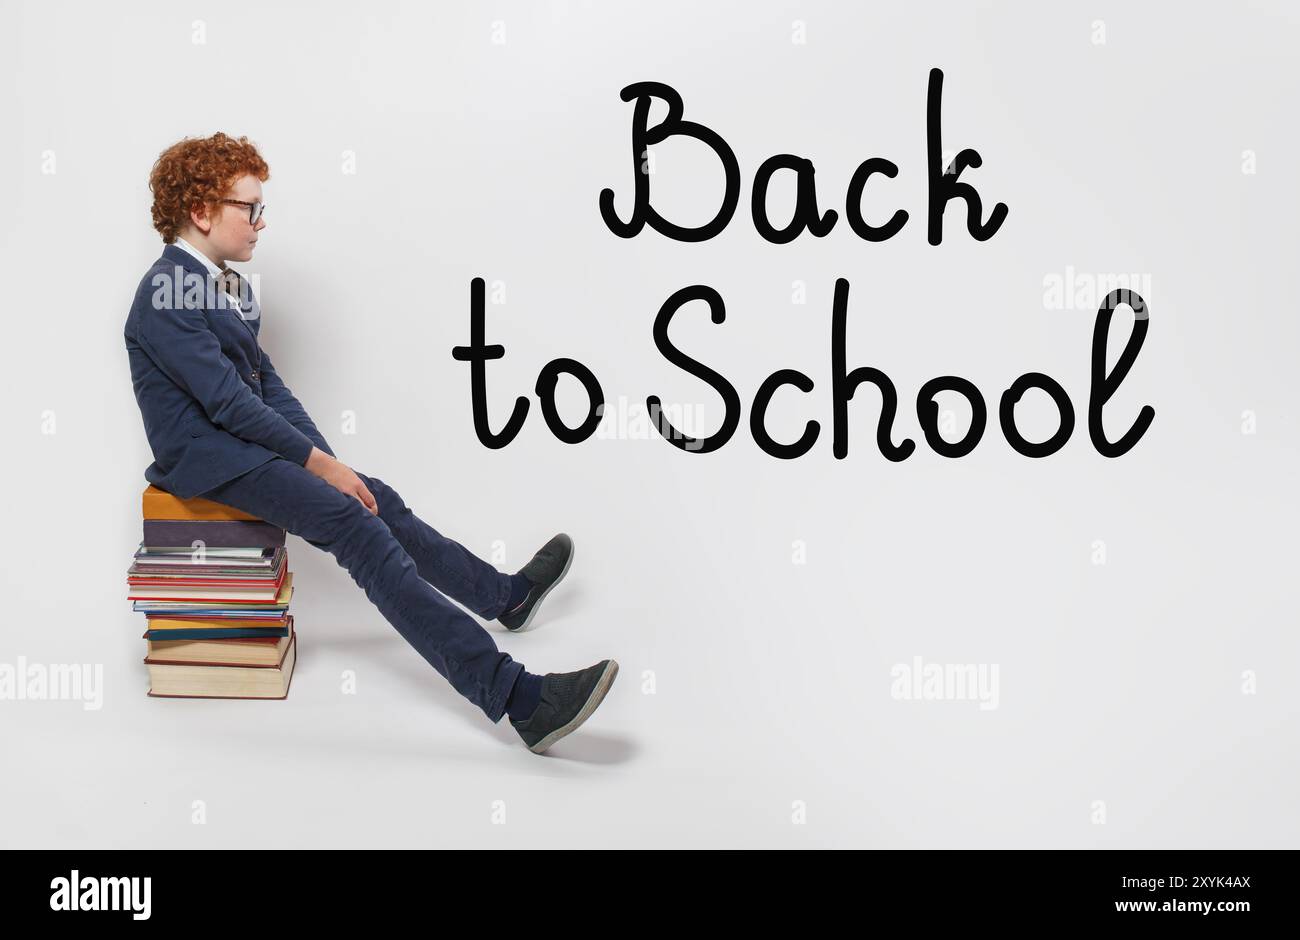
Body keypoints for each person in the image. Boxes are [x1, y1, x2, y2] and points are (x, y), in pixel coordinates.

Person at [124, 132, 616, 753]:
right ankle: (520, 699)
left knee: (373, 499)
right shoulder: (164, 293)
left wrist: (329, 463)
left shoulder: (229, 286)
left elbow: (266, 384)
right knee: (356, 527)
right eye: (249, 208)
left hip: (242, 444)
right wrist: (320, 469)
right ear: (201, 211)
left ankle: (506, 597)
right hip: (205, 458)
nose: (261, 221)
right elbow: (227, 403)